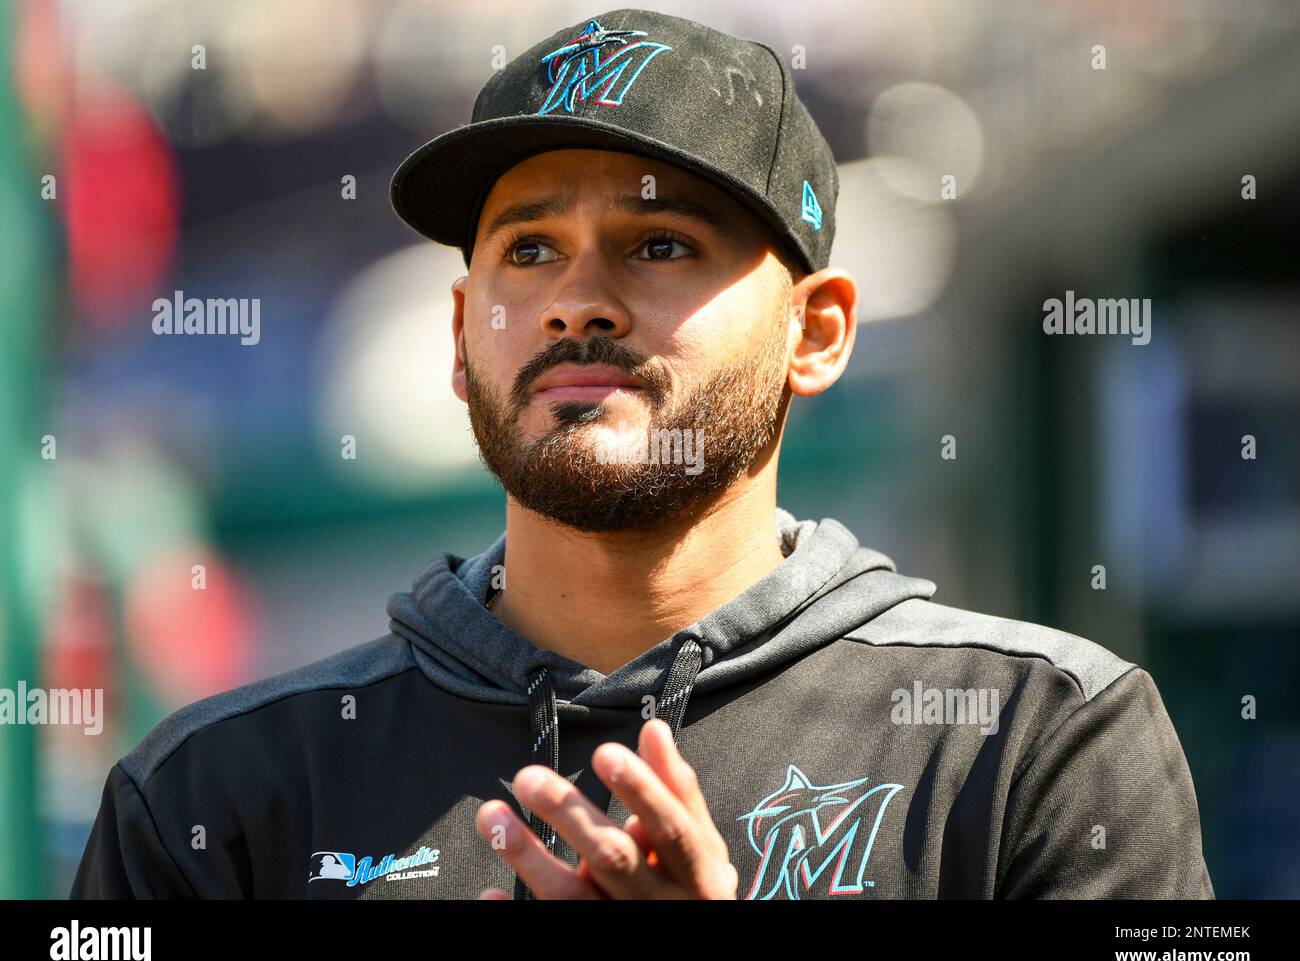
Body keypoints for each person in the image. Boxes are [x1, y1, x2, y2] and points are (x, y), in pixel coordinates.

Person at [70, 8, 1213, 900]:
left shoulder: (1043, 743)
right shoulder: (212, 793)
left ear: (816, 333)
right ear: (461, 338)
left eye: (657, 242)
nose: (575, 302)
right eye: (528, 250)